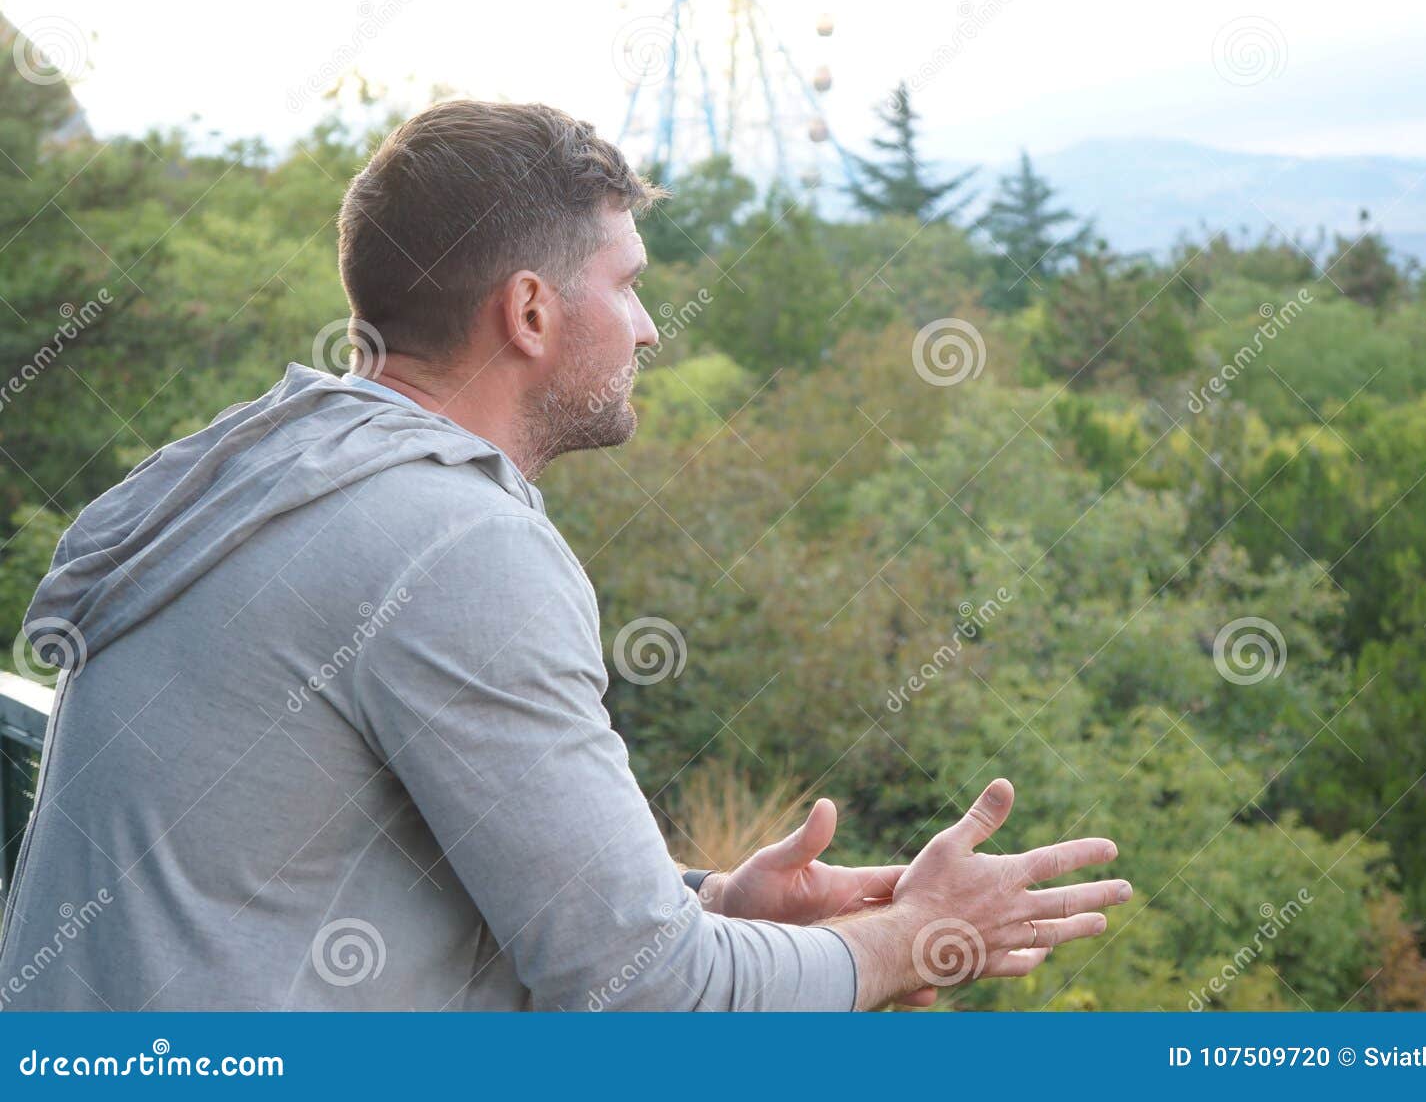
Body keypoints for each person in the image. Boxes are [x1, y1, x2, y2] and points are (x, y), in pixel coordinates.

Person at [0, 100, 1129, 1011]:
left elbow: (328, 859)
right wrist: (917, 935)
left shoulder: (250, 470)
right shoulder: (456, 545)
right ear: (530, 312)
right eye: (627, 284)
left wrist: (709, 906)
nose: (650, 326)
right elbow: (657, 999)